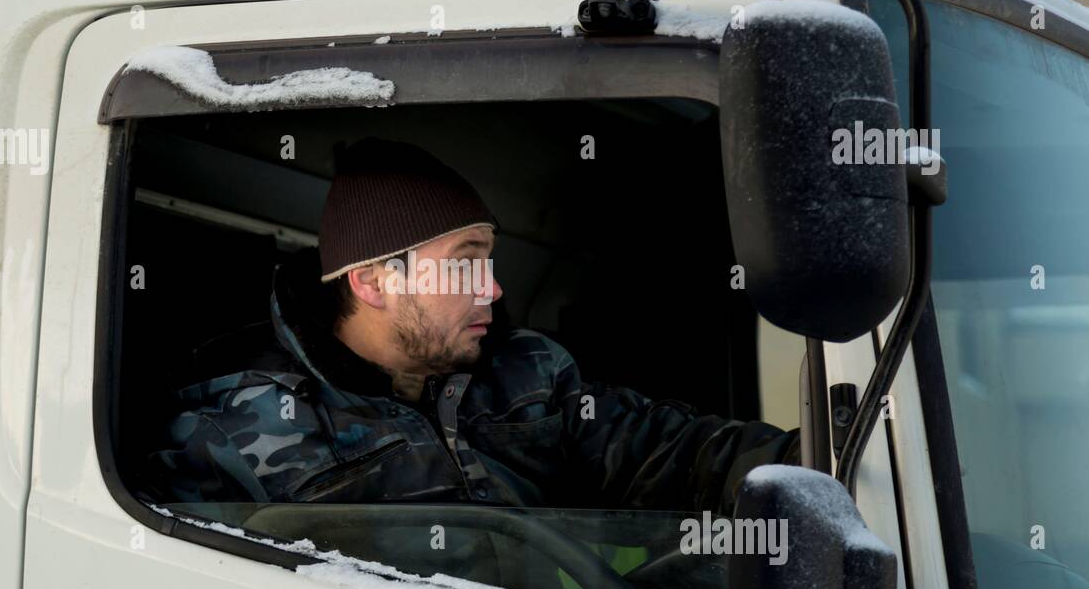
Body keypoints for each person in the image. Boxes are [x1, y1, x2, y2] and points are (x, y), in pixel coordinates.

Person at [147, 137, 799, 514]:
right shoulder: (225, 434)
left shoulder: (529, 376)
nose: (494, 288)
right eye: (465, 264)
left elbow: (671, 452)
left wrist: (818, 468)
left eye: (490, 260)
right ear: (373, 281)